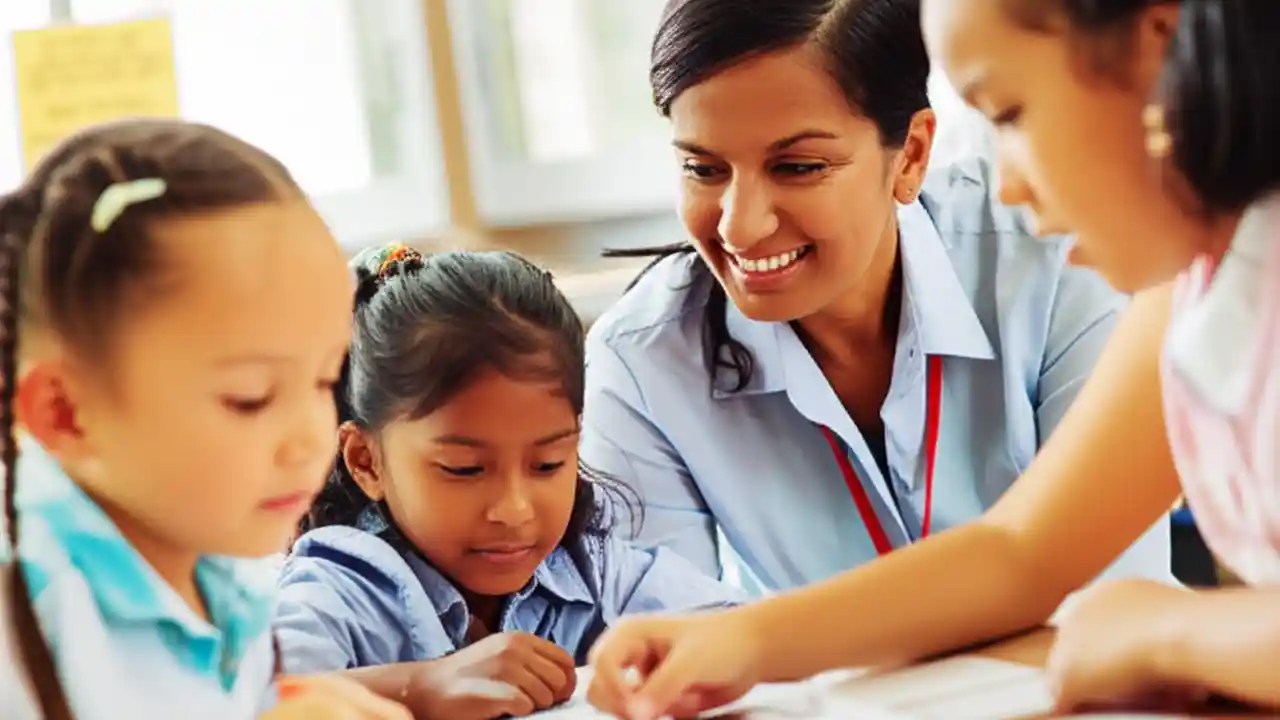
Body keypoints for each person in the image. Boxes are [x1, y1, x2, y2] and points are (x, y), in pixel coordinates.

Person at [583, 1, 1280, 717]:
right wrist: (744, 641)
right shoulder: (1185, 289)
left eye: (1008, 112)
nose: (1005, 182)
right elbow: (1022, 553)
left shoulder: (1080, 264)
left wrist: (1170, 631)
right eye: (702, 167)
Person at [582, 0, 1169, 597]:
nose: (740, 226)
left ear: (911, 154)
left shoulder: (1054, 256)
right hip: (809, 692)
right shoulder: (640, 361)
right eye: (704, 169)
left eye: (799, 167)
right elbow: (671, 646)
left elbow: (1114, 599)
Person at [0, 120, 409, 719]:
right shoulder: (24, 635)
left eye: (323, 380)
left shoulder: (227, 575)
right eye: (251, 397)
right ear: (65, 412)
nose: (308, 440)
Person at [274, 247, 741, 718]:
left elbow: (742, 636)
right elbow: (254, 700)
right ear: (367, 462)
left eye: (548, 464)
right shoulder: (342, 587)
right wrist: (418, 687)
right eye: (465, 469)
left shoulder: (595, 571)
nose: (515, 509)